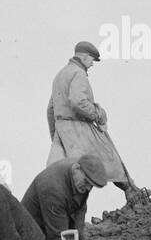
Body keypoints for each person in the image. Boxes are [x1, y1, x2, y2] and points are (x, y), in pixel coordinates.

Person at [46, 41, 144, 204]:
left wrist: (56, 136)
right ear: (84, 56)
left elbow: (50, 110)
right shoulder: (79, 73)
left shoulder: (60, 75)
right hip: (79, 127)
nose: (92, 64)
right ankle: (133, 194)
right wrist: (98, 115)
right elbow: (78, 102)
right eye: (92, 60)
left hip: (62, 130)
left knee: (60, 173)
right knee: (108, 157)